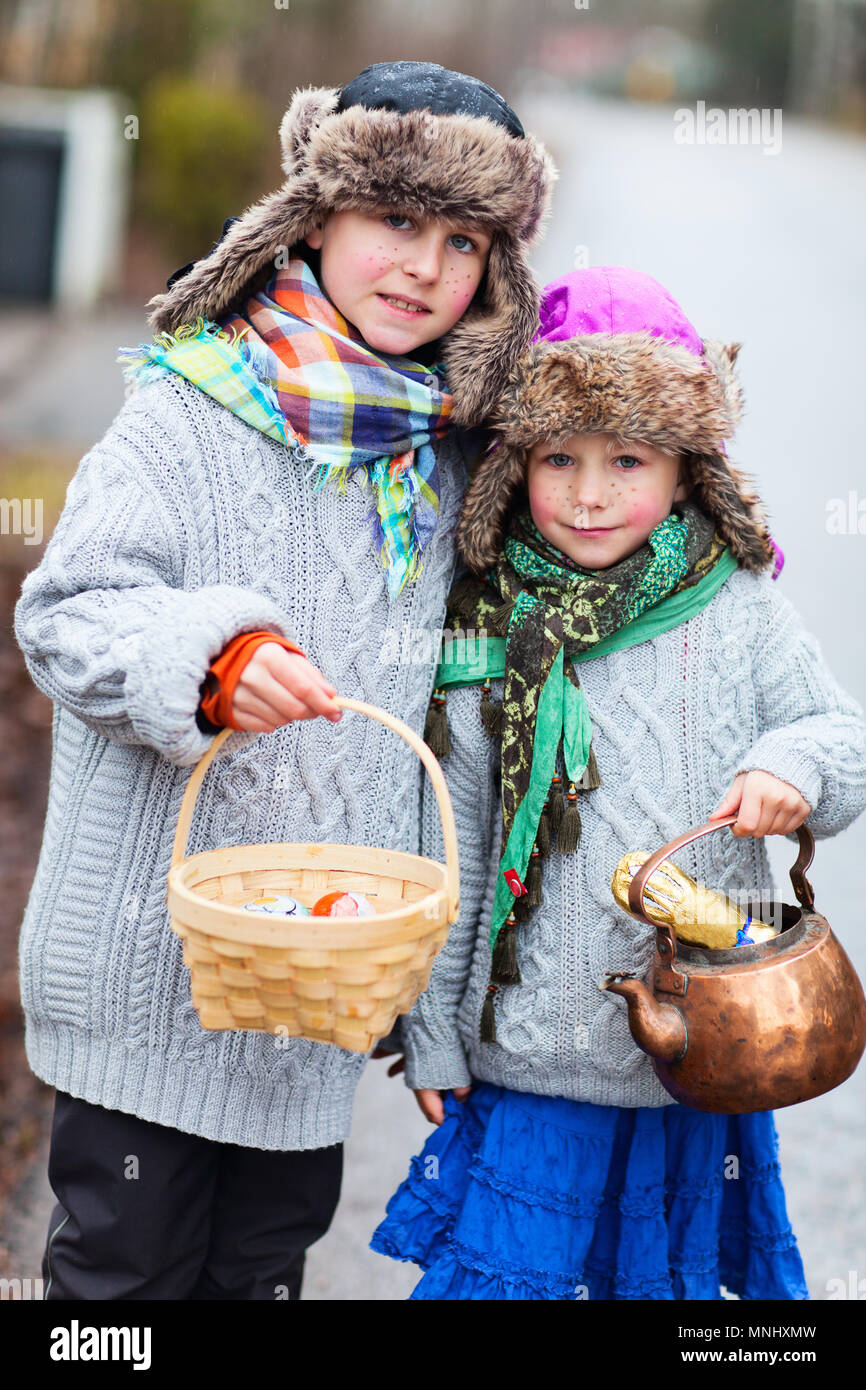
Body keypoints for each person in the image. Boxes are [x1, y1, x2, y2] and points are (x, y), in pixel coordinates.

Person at [12, 61, 555, 1300]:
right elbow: (67, 613)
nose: (423, 265)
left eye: (463, 240)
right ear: (314, 220)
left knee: (260, 1278)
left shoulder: (453, 464)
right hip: (150, 988)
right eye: (395, 221)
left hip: (312, 1007)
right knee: (118, 1292)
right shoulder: (189, 408)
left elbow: (451, 737)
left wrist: (429, 1004)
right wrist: (209, 659)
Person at [371, 265, 866, 1300]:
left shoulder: (736, 608)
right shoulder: (487, 626)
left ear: (686, 470)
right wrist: (430, 1036)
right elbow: (450, 848)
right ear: (515, 464)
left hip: (699, 1062)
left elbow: (838, 734)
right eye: (559, 458)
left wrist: (791, 766)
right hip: (528, 1066)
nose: (589, 494)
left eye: (627, 460)